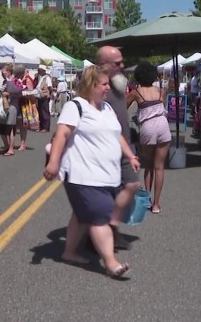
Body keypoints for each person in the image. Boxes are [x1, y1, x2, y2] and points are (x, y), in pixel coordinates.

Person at [44, 65, 140, 278]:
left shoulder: (107, 108)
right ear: (91, 85)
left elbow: (117, 135)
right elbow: (61, 135)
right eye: (104, 84)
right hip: (82, 175)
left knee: (82, 215)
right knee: (99, 216)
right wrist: (53, 162)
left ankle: (69, 252)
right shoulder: (75, 106)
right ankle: (111, 263)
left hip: (105, 175)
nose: (108, 88)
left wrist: (130, 156)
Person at [96, 46, 141, 250]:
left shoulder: (118, 82)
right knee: (104, 195)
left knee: (132, 184)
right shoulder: (95, 85)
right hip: (104, 149)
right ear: (102, 64)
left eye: (122, 62)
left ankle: (111, 226)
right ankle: (103, 235)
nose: (122, 66)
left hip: (123, 146)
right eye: (117, 63)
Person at [128, 61, 172, 214]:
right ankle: (156, 204)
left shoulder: (136, 92)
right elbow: (162, 105)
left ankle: (147, 199)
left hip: (147, 127)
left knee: (149, 165)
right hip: (163, 125)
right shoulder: (160, 91)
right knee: (160, 167)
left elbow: (123, 106)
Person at [0, 63, 22, 156]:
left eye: (3, 72)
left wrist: (9, 93)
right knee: (3, 126)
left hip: (13, 106)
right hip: (4, 105)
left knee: (11, 126)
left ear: (8, 71)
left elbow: (20, 93)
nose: (2, 74)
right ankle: (7, 146)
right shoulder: (5, 81)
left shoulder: (15, 80)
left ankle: (11, 148)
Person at [35, 65, 53, 133]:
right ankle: (41, 126)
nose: (38, 71)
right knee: (40, 112)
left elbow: (50, 87)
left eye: (40, 70)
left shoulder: (47, 78)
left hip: (45, 97)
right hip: (40, 97)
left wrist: (48, 94)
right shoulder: (41, 78)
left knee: (45, 112)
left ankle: (46, 127)